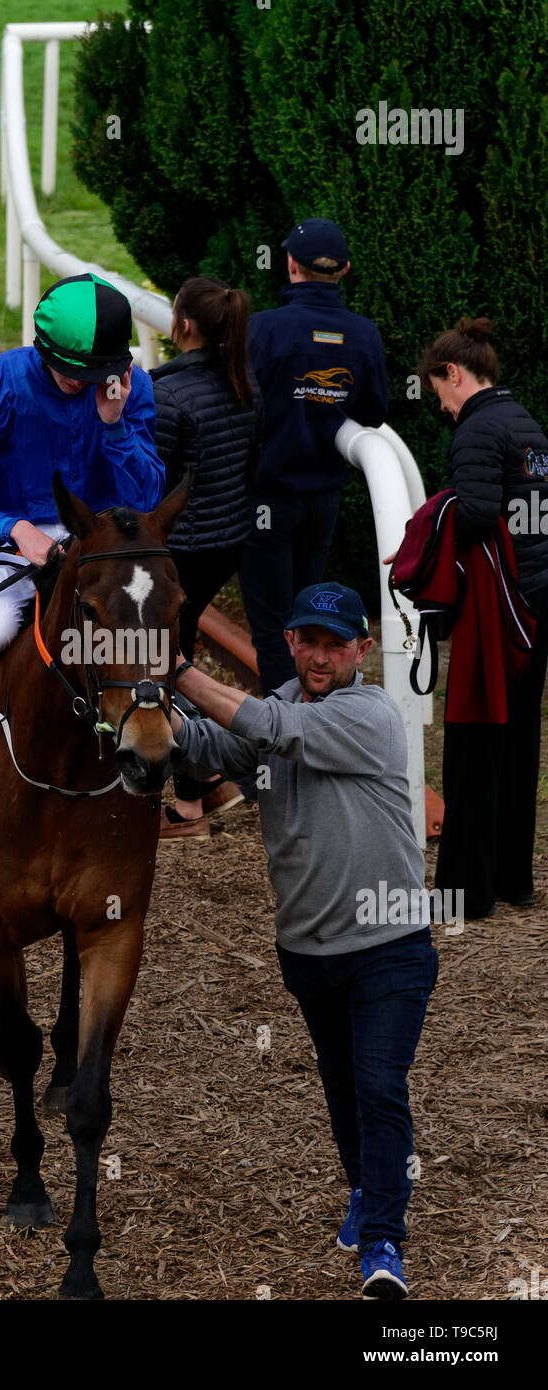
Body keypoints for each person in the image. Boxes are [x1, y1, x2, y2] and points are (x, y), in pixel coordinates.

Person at [170, 581, 438, 1299]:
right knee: (343, 1085)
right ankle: (365, 1189)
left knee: (379, 1086)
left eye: (334, 645)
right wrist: (137, 697)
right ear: (289, 642)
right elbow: (204, 744)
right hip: (308, 950)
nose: (320, 657)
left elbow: (272, 728)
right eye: (307, 641)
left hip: (389, 944)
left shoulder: (370, 713)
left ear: (360, 649)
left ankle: (383, 1241)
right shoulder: (277, 709)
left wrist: (179, 671)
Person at [0, 272, 165, 730]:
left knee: (157, 627)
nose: (81, 384)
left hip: (105, 539)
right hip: (16, 540)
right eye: (70, 372)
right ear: (42, 348)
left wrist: (114, 425)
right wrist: (14, 529)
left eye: (93, 375)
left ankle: (182, 734)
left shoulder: (130, 387)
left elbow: (147, 498)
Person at [415, 318, 548, 918]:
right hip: (536, 602)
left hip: (499, 612)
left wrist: (424, 528)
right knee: (519, 740)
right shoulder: (526, 424)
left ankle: (464, 894)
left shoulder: (477, 428)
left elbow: (472, 513)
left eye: (438, 391)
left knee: (473, 742)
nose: (442, 406)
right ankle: (513, 879)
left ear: (454, 373)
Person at [240, 218, 388, 694]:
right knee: (308, 619)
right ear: (344, 269)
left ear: (291, 265)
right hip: (322, 498)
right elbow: (373, 412)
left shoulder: (264, 328)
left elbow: (240, 407)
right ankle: (308, 720)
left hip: (266, 499)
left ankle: (286, 727)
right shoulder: (364, 334)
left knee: (273, 625)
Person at [150, 277, 264, 840]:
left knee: (161, 657)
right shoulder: (245, 381)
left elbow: (151, 483)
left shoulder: (167, 394)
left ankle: (196, 794)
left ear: (183, 324)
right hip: (228, 542)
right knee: (178, 648)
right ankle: (209, 780)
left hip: (182, 550)